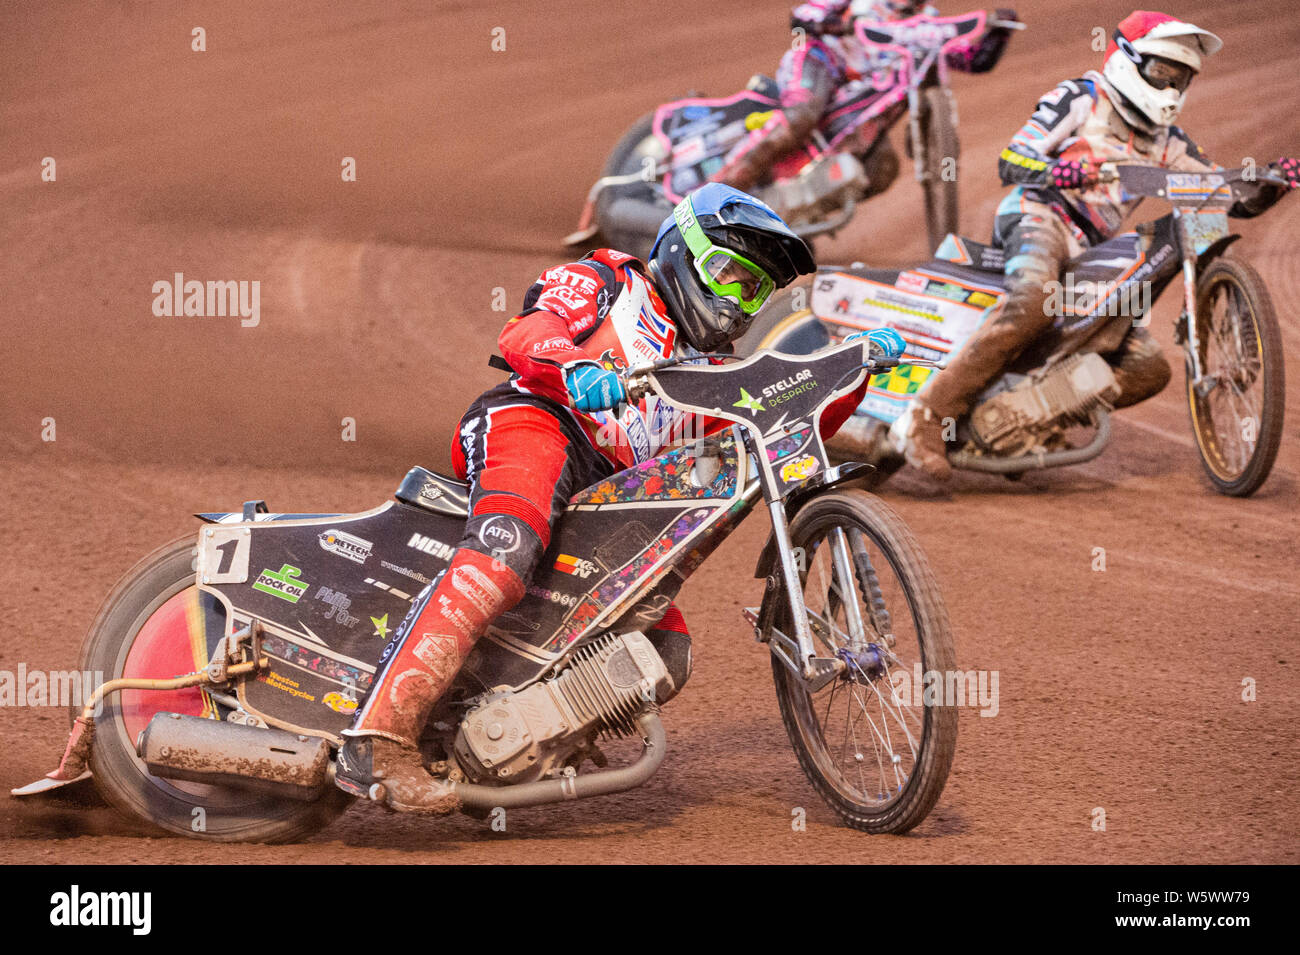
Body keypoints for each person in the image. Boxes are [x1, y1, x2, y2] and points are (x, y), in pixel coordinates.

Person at [335, 184, 904, 813]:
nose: (737, 301)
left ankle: (495, 741)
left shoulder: (712, 372)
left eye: (754, 290)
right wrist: (574, 366)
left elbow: (770, 436)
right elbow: (530, 328)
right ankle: (377, 738)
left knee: (663, 648)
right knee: (505, 552)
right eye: (727, 274)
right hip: (537, 420)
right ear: (681, 252)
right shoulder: (610, 279)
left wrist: (852, 375)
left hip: (609, 487)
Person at [899, 10, 1300, 481]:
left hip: (1092, 248)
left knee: (1150, 368)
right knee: (1033, 302)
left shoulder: (1170, 142)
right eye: (1162, 72)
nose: (1171, 88)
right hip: (1038, 216)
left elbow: (1215, 194)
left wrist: (1268, 184)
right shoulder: (1081, 97)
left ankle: (1017, 418)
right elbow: (1012, 158)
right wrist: (1057, 171)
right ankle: (926, 415)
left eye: (1181, 78)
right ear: (1127, 60)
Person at [711, 0, 1014, 193]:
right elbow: (802, 16)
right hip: (822, 62)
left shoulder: (928, 24)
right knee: (801, 116)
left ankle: (798, 218)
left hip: (861, 101)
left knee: (881, 170)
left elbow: (972, 60)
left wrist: (999, 33)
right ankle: (720, 187)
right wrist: (838, 25)